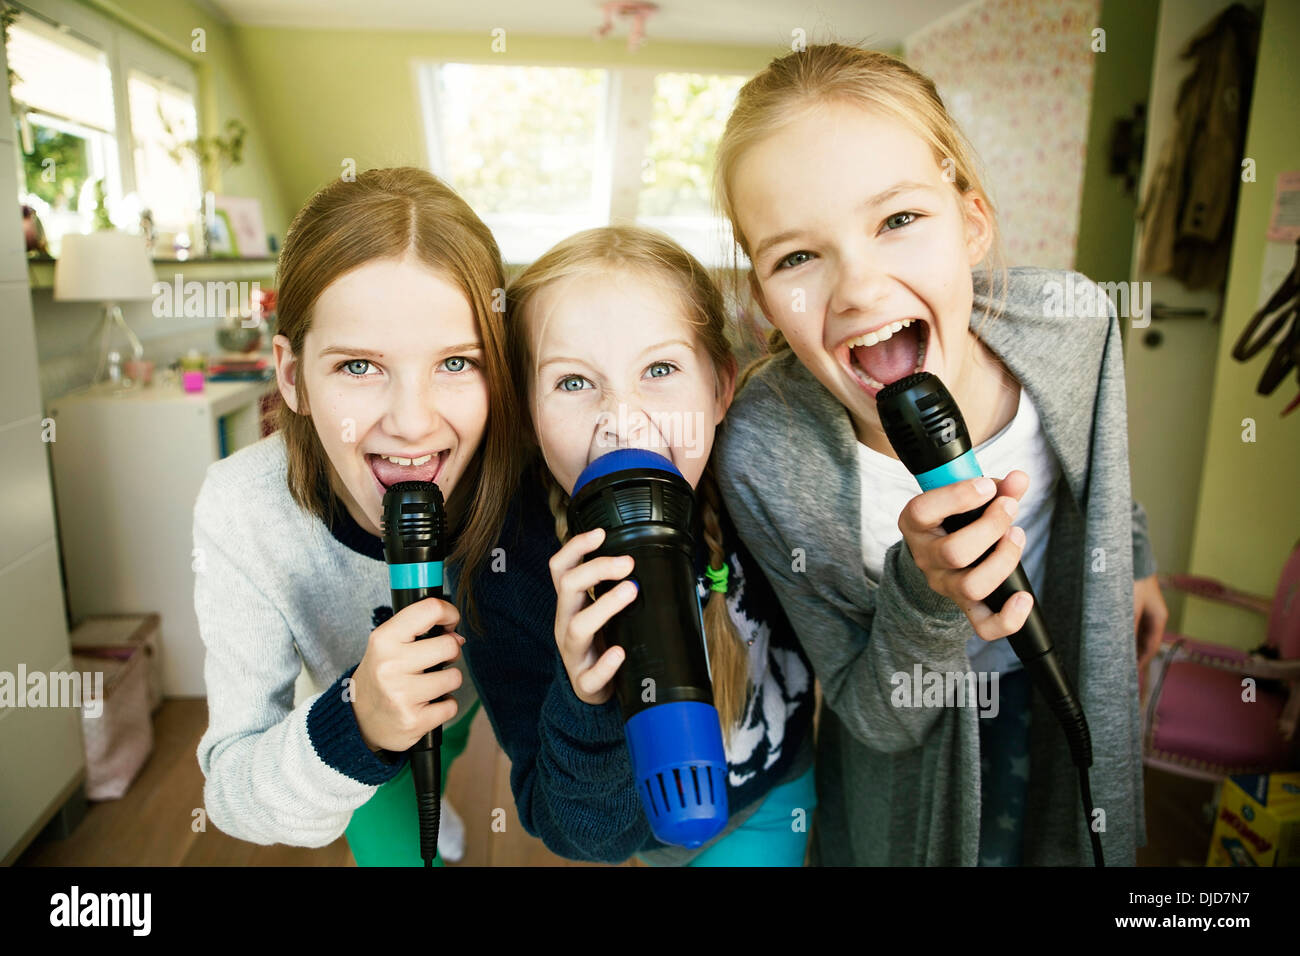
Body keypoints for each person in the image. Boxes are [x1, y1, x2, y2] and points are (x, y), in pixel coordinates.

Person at [710, 43, 1168, 865]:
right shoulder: (761, 450)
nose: (857, 288)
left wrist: (1132, 556)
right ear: (762, 296)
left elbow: (1099, 465)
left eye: (897, 220)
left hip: (1063, 687)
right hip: (908, 781)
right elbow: (872, 713)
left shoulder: (1074, 324)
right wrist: (925, 596)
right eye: (798, 256)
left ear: (973, 221)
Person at [193, 167, 525, 865]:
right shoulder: (242, 509)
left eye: (457, 362)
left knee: (456, 726)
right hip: (371, 721)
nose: (411, 423)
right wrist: (358, 723)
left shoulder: (529, 476)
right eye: (358, 367)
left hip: (482, 698)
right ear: (292, 378)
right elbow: (230, 784)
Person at [459, 225, 816, 865]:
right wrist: (589, 698)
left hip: (774, 796)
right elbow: (583, 835)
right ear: (527, 412)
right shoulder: (503, 571)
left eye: (660, 369)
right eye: (573, 382)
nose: (622, 419)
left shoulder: (764, 483)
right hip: (647, 834)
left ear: (720, 389)